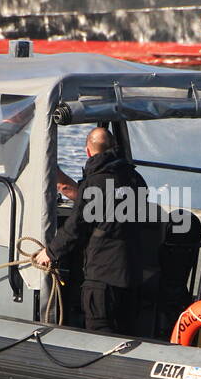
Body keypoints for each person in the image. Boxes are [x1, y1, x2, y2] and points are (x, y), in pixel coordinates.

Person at [33, 127, 146, 334]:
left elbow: (75, 227)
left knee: (99, 329)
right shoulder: (136, 179)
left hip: (102, 276)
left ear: (87, 152)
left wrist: (49, 253)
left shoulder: (94, 182)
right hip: (132, 273)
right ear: (114, 147)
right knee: (126, 330)